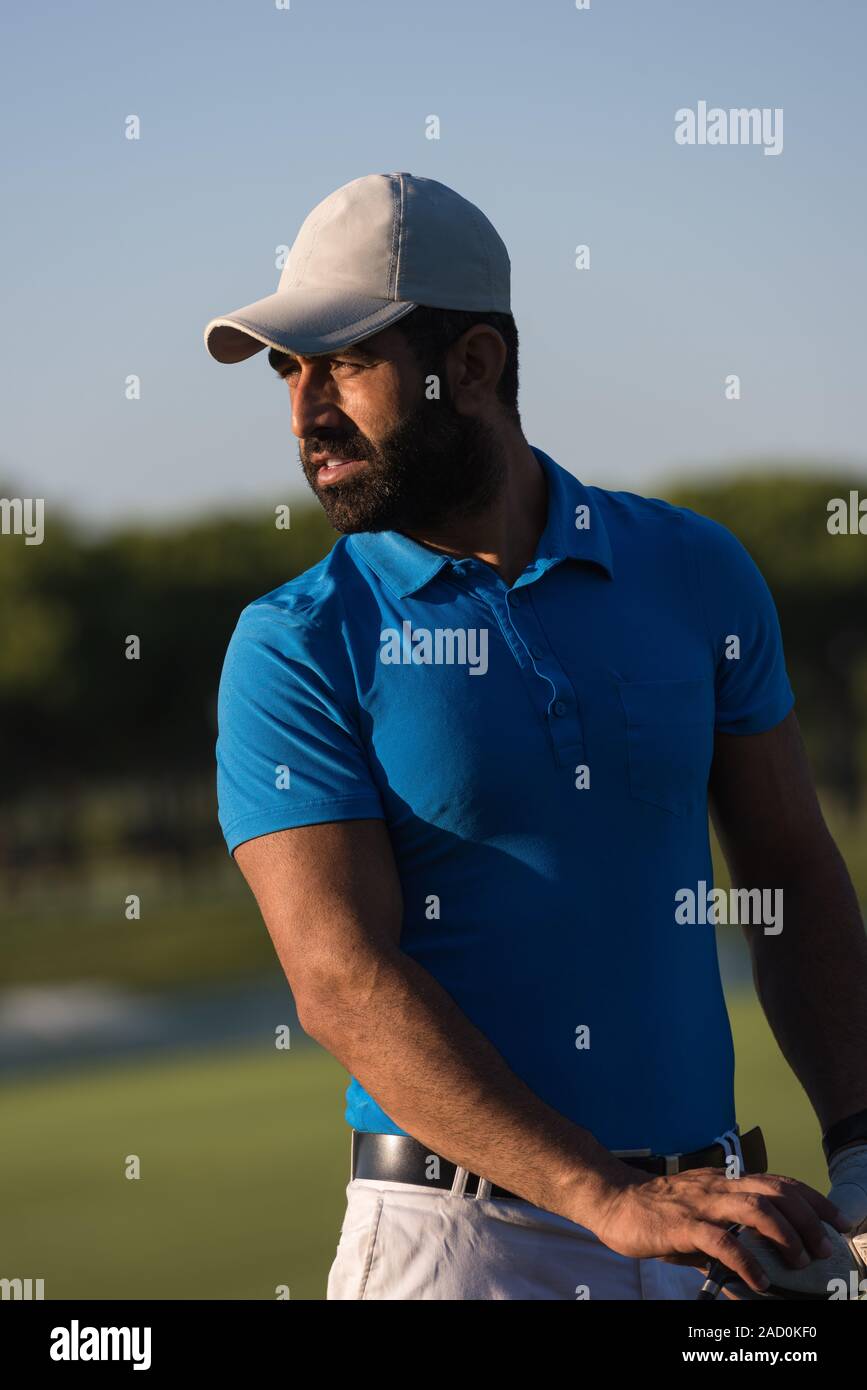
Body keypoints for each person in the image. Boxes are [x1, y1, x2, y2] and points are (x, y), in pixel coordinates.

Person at [204, 172, 867, 1300]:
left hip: (710, 1237)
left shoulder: (696, 571)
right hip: (461, 1248)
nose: (306, 408)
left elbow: (791, 869)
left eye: (346, 363)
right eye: (288, 369)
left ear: (472, 366)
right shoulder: (294, 644)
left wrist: (861, 1149)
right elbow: (341, 979)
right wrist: (604, 1195)